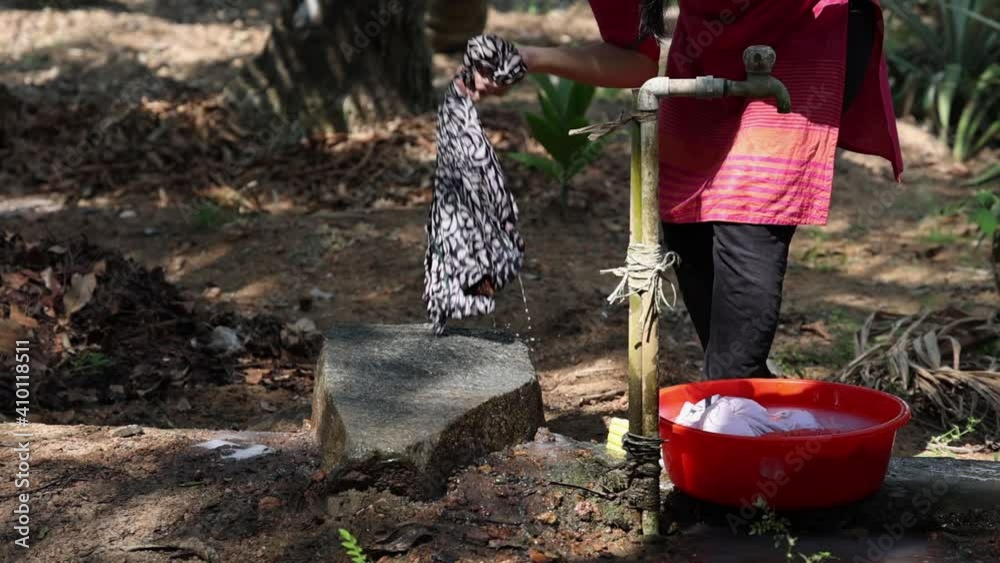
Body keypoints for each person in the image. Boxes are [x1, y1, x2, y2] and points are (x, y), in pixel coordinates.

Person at [458, 1, 903, 380]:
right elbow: (633, 58)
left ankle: (734, 400)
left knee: (747, 212)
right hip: (709, 45)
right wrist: (531, 57)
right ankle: (741, 390)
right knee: (687, 220)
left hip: (807, 29)